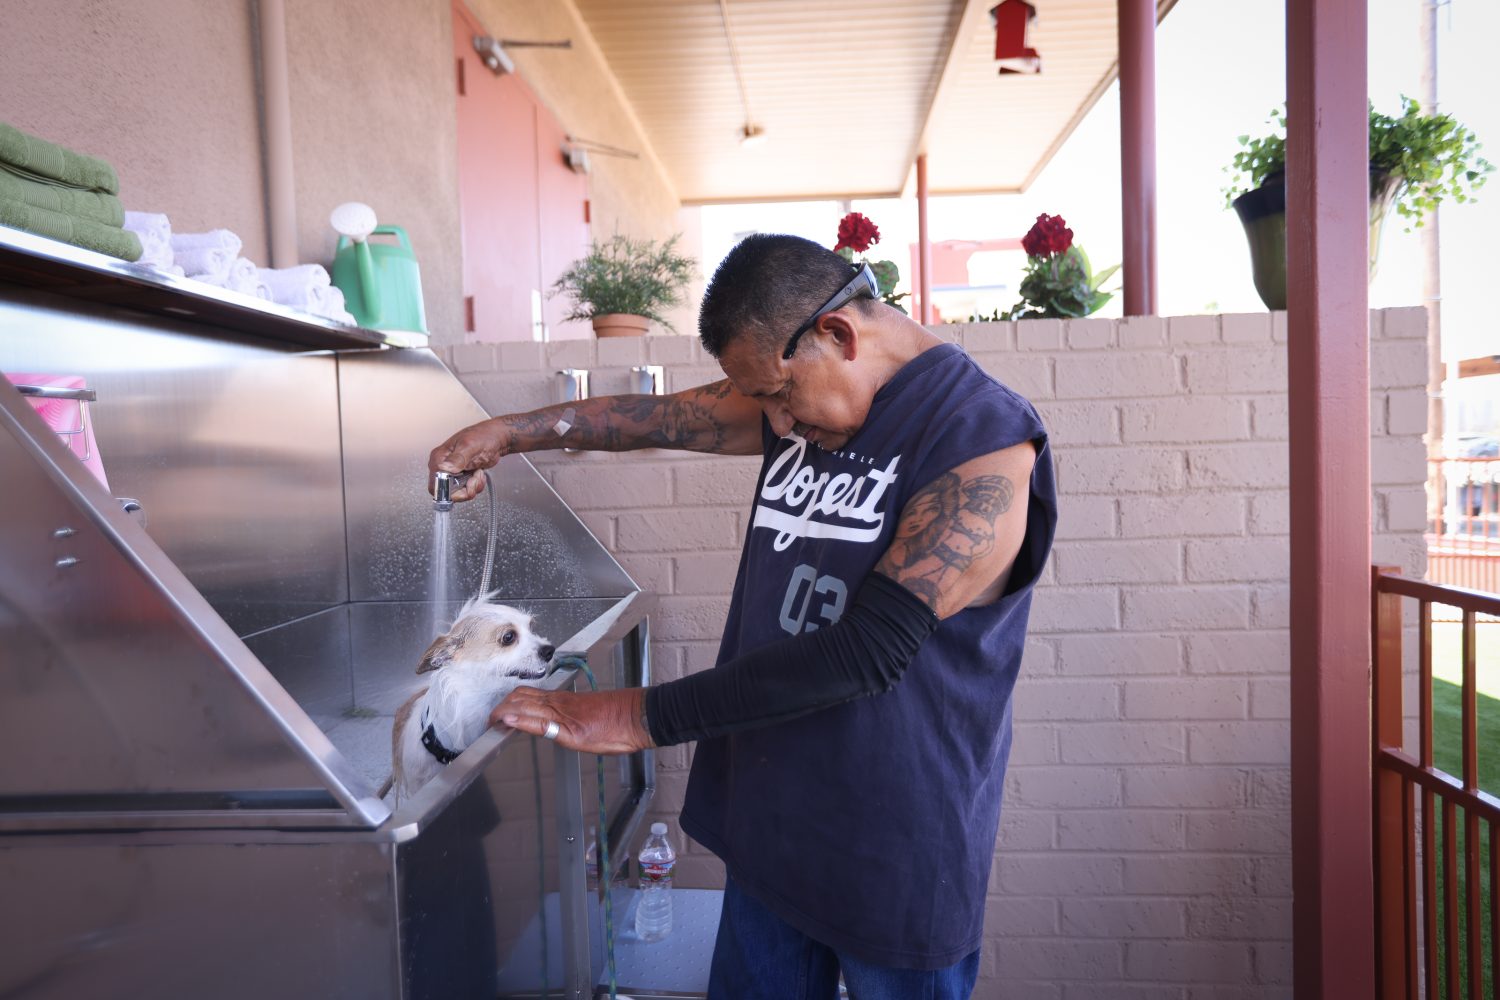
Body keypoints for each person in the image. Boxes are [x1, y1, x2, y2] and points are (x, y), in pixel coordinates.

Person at [428, 234, 1057, 999]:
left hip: (896, 844)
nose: (777, 425)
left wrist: (636, 715)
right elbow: (658, 418)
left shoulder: (982, 445)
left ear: (838, 336)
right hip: (771, 823)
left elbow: (864, 654)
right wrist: (509, 433)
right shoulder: (804, 395)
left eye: (778, 396)